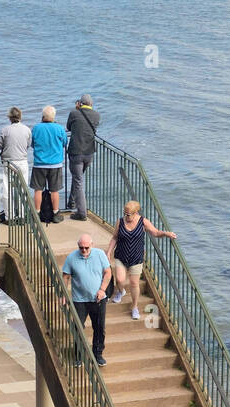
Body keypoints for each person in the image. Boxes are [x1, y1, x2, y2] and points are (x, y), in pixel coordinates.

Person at [106, 200, 176, 320]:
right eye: (125, 213)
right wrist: (109, 252)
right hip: (121, 256)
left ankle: (134, 307)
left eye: (128, 214)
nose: (126, 216)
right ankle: (121, 291)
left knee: (134, 283)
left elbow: (155, 232)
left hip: (136, 257)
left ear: (135, 212)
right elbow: (114, 238)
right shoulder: (120, 221)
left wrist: (166, 234)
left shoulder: (143, 221)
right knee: (120, 279)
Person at [63, 232, 111, 368]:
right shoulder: (72, 257)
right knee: (78, 327)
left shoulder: (100, 254)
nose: (84, 250)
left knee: (99, 328)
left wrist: (102, 290)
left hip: (98, 299)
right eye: (81, 248)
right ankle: (78, 356)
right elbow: (65, 276)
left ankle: (98, 355)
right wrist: (63, 295)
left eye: (86, 248)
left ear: (92, 245)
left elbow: (108, 272)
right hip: (79, 300)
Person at [66, 94, 100, 221]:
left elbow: (69, 127)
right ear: (91, 104)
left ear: (80, 103)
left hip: (76, 152)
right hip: (89, 153)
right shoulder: (97, 115)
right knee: (78, 179)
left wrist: (77, 109)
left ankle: (81, 213)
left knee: (78, 181)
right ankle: (72, 202)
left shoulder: (74, 113)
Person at [30, 105, 66, 223]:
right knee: (54, 190)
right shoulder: (59, 128)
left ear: (43, 116)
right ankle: (55, 213)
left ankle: (37, 213)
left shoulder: (36, 128)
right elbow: (65, 142)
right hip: (55, 164)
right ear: (53, 116)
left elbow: (32, 144)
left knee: (38, 190)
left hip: (39, 163)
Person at [0, 106, 32, 223]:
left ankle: (9, 216)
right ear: (20, 116)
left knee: (6, 189)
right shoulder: (27, 129)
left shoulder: (5, 130)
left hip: (8, 162)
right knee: (23, 188)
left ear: (10, 118)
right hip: (22, 161)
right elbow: (28, 144)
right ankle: (22, 215)